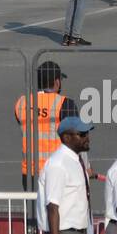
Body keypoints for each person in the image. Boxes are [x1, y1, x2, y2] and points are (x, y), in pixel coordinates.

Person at [37, 115, 98, 234]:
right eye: (81, 134)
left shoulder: (75, 161)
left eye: (87, 133)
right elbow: (52, 207)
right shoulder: (58, 164)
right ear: (67, 138)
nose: (87, 137)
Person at [14, 61, 79, 189]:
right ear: (57, 82)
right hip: (57, 170)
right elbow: (77, 139)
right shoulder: (65, 104)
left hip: (29, 173)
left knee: (34, 207)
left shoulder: (22, 102)